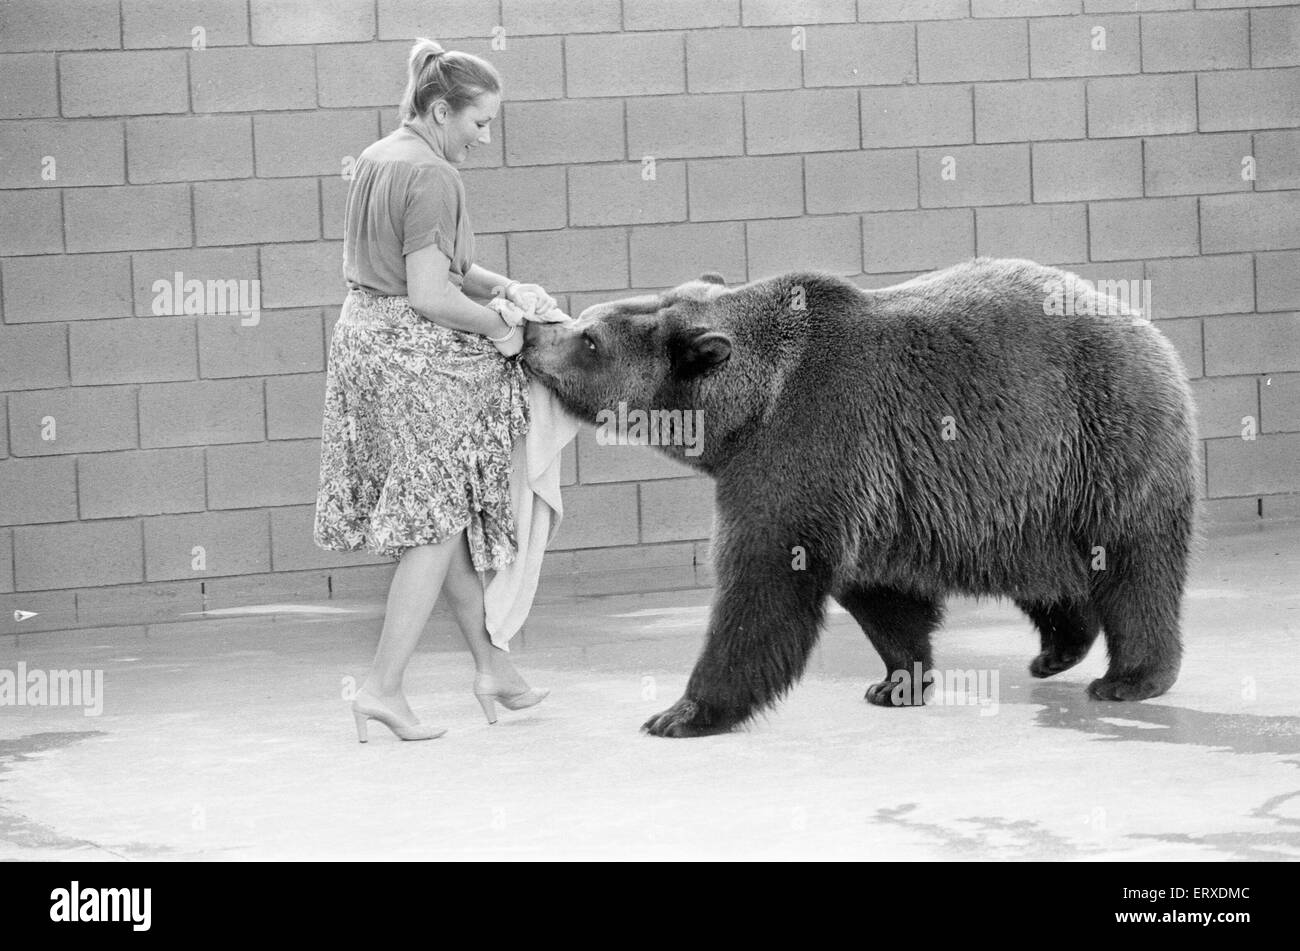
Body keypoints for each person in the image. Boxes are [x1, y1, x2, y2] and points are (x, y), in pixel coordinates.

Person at [314, 37, 557, 741]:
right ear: (443, 108)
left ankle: (493, 667)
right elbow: (429, 294)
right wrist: (503, 328)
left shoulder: (378, 157)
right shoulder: (434, 176)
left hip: (363, 340)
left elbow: (442, 265)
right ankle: (382, 687)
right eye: (479, 123)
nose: (485, 138)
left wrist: (505, 287)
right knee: (434, 521)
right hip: (410, 356)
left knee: (438, 513)